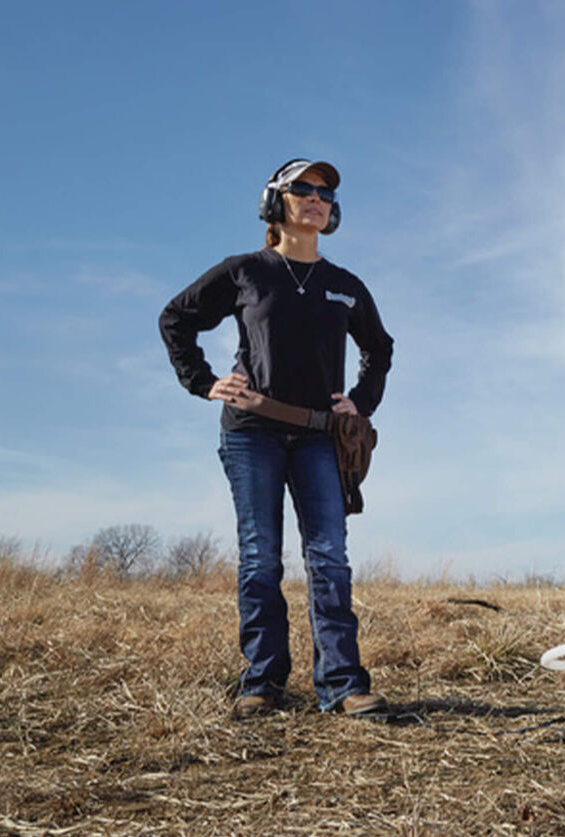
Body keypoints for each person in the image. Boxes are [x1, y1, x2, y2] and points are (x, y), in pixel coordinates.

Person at [160, 158, 395, 719]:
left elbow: (380, 350)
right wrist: (203, 381)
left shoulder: (345, 286)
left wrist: (359, 401)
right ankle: (262, 683)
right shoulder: (247, 271)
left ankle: (342, 683)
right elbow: (176, 318)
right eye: (303, 189)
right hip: (252, 433)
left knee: (330, 558)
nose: (316, 198)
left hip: (319, 437)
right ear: (276, 202)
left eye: (325, 193)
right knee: (261, 557)